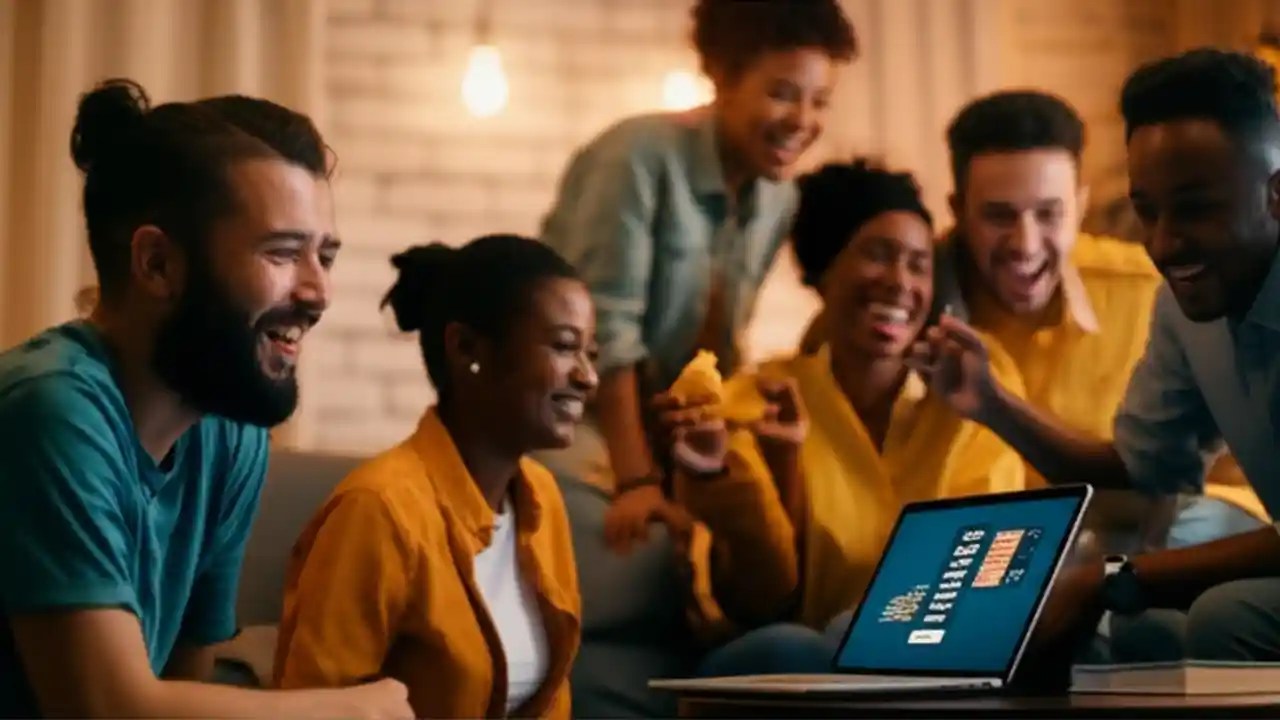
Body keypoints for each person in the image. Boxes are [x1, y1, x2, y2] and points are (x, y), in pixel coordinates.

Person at [0, 80, 412, 718]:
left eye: (325, 256)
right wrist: (354, 711)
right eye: (283, 253)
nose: (319, 292)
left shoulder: (229, 435)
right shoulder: (51, 411)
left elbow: (181, 691)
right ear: (157, 264)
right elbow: (105, 709)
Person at [911, 48, 1280, 664]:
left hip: (1218, 539)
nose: (1164, 244)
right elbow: (1141, 468)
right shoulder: (1182, 308)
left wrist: (1110, 579)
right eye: (1147, 212)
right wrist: (993, 404)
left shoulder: (1145, 284)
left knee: (1224, 613)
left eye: (1196, 209)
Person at [664, 161, 1027, 675]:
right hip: (794, 665)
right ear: (824, 269)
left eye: (919, 264)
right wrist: (781, 462)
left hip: (935, 660)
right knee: (798, 646)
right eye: (877, 255)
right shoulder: (753, 399)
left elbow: (994, 570)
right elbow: (756, 604)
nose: (900, 282)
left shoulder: (971, 395)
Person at [536, 0, 858, 548]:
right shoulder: (635, 156)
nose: (802, 121)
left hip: (666, 431)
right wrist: (638, 479)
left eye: (820, 100)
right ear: (722, 77)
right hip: (571, 418)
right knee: (641, 549)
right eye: (782, 93)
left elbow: (720, 348)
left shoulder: (778, 197)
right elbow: (604, 333)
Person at [274, 235, 599, 719]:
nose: (589, 377)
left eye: (592, 353)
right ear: (466, 348)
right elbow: (314, 703)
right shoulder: (379, 510)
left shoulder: (541, 497)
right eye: (565, 347)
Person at [935, 90, 1267, 557]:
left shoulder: (1154, 288)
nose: (1025, 244)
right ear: (957, 211)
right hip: (993, 549)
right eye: (998, 216)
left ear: (1080, 204)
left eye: (1049, 214)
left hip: (1163, 533)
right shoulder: (913, 299)